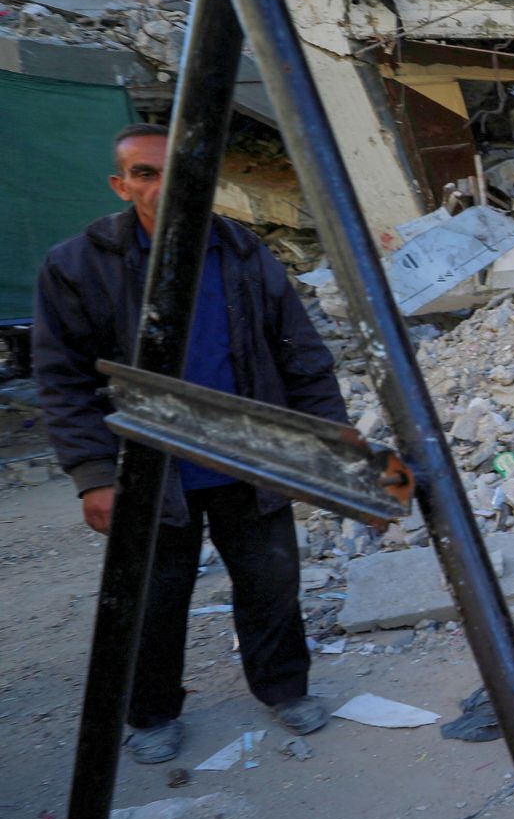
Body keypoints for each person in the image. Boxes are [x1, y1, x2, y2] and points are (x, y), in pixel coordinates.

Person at [32, 122, 348, 765]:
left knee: (271, 582)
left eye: (176, 170)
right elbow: (62, 379)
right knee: (151, 596)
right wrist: (94, 475)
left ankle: (284, 689)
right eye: (144, 173)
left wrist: (327, 442)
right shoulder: (77, 265)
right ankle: (151, 713)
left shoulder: (241, 252)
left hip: (249, 455)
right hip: (148, 468)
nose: (163, 185)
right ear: (122, 185)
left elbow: (301, 354)